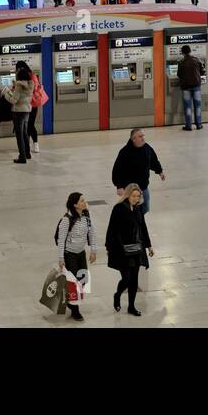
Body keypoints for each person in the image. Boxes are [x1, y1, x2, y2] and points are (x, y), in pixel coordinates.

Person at [106, 183, 153, 317]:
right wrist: (110, 247)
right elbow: (112, 230)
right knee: (126, 278)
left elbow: (143, 228)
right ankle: (117, 295)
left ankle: (131, 306)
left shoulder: (138, 209)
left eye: (138, 196)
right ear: (127, 195)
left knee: (134, 280)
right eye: (133, 196)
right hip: (122, 250)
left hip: (136, 249)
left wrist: (149, 246)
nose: (136, 199)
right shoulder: (119, 209)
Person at [55, 193, 98, 322]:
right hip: (69, 255)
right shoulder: (66, 220)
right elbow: (61, 240)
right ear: (75, 205)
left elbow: (91, 232)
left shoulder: (86, 216)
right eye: (82, 201)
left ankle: (70, 301)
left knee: (83, 280)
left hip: (81, 254)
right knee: (74, 284)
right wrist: (61, 258)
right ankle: (75, 310)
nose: (85, 202)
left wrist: (93, 250)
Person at [111, 128, 165, 213]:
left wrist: (160, 171)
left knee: (145, 208)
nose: (143, 138)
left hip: (143, 187)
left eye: (143, 136)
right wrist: (119, 186)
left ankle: (138, 223)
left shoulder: (147, 148)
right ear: (133, 139)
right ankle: (134, 224)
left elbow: (153, 161)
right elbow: (117, 170)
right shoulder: (125, 152)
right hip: (130, 189)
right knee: (131, 210)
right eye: (140, 136)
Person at [5, 63, 34, 164]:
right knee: (25, 133)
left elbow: (14, 100)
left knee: (19, 135)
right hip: (27, 110)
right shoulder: (31, 84)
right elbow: (23, 97)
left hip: (18, 112)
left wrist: (6, 94)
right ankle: (27, 153)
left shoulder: (18, 85)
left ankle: (22, 157)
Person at [177, 44, 204, 130]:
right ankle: (199, 124)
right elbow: (202, 71)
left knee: (187, 107)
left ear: (182, 53)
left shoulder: (181, 62)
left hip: (186, 87)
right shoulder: (196, 60)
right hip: (196, 86)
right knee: (198, 106)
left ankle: (188, 126)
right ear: (190, 51)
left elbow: (179, 74)